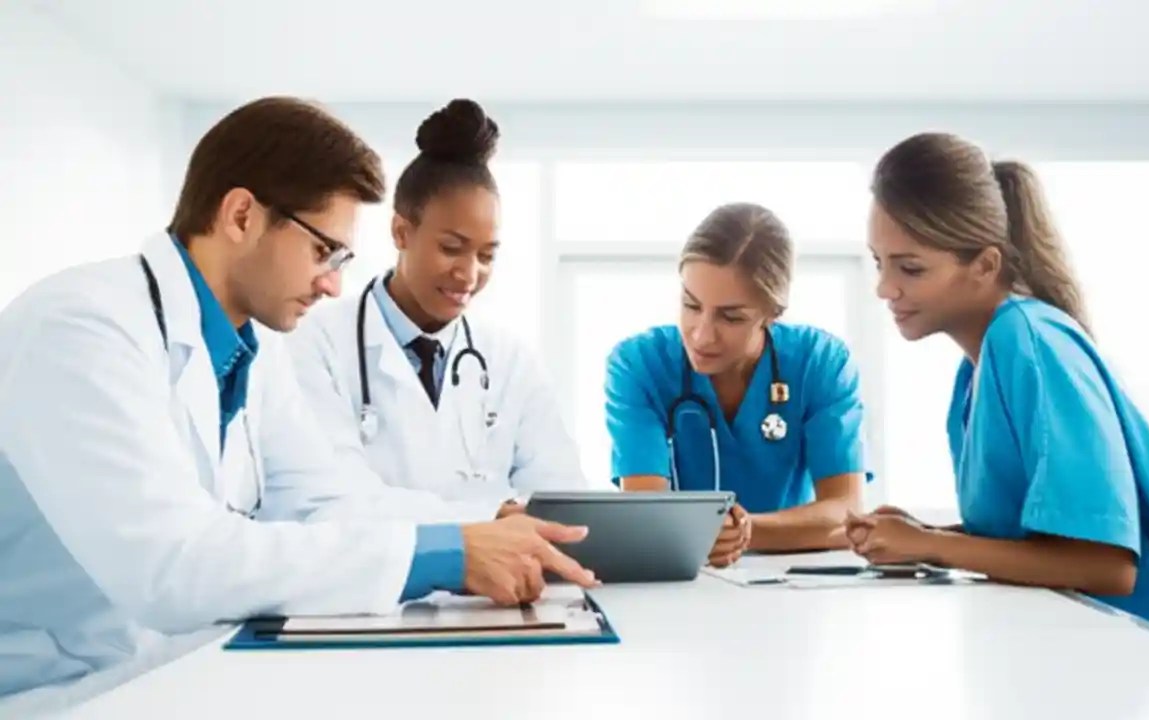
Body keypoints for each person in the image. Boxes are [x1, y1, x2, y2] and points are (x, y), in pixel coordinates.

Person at [0, 97, 596, 699]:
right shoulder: (81, 327)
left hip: (170, 672)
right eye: (322, 251)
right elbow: (170, 565)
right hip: (54, 689)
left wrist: (486, 528)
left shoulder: (252, 351)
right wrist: (447, 555)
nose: (333, 284)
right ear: (241, 216)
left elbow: (325, 502)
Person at [850, 131, 1149, 643]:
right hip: (1082, 644)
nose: (884, 288)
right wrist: (922, 537)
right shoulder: (977, 370)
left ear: (985, 265)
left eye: (910, 268)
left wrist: (933, 546)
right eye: (880, 262)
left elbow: (1105, 565)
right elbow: (1030, 543)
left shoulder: (1029, 341)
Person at [289, 99, 599, 521]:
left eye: (486, 255)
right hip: (379, 568)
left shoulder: (510, 361)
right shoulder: (316, 342)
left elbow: (563, 501)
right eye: (451, 248)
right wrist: (492, 518)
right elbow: (334, 498)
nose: (469, 274)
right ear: (401, 232)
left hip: (506, 568)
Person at [604, 203, 870, 567]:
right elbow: (648, 515)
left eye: (731, 317)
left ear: (772, 313)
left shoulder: (820, 362)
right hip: (680, 580)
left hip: (791, 578)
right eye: (691, 305)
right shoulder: (640, 364)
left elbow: (846, 511)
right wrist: (707, 534)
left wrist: (740, 531)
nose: (702, 335)